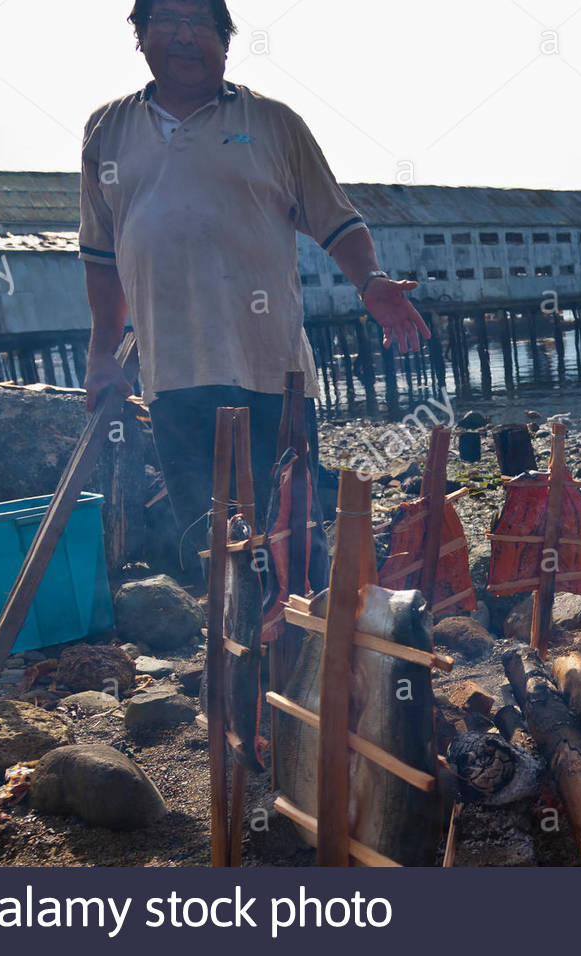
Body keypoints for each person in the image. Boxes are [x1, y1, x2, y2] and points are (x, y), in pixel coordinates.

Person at [80, 0, 428, 584]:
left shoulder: (273, 124)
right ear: (140, 36)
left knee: (291, 530)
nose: (185, 35)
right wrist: (99, 355)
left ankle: (307, 655)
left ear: (226, 40)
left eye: (201, 22)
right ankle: (232, 658)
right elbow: (101, 255)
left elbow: (336, 219)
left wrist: (370, 282)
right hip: (172, 374)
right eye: (167, 19)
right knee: (204, 538)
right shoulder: (106, 130)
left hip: (272, 371)